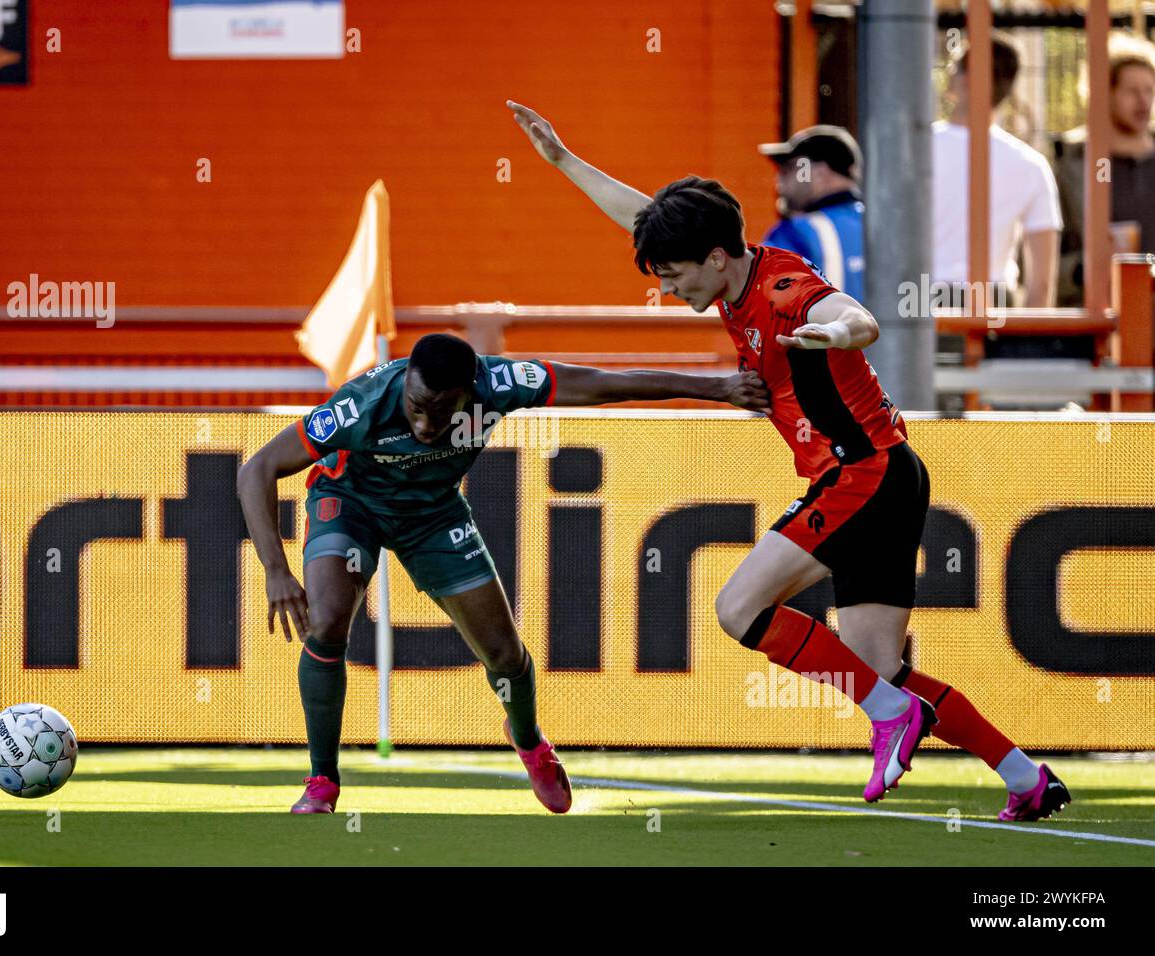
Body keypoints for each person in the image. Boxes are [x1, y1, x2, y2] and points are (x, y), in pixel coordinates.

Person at [507, 99, 1071, 821]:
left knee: (738, 607)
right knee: (880, 670)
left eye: (675, 275)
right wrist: (561, 160)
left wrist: (840, 334)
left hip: (863, 473)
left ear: (714, 257)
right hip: (885, 474)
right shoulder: (728, 275)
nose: (669, 289)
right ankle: (1025, 777)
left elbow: (848, 314)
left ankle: (890, 714)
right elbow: (643, 213)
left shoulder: (782, 289)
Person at [238, 333, 771, 814]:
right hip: (350, 505)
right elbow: (256, 469)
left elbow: (605, 384)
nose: (426, 425)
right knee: (328, 623)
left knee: (505, 655)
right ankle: (322, 782)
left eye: (442, 412)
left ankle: (529, 741)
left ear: (471, 393)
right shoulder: (360, 405)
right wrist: (275, 570)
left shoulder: (501, 383)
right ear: (406, 386)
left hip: (434, 515)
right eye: (417, 407)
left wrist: (718, 389)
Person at [933, 34, 1062, 310]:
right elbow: (1042, 283)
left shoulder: (915, 152)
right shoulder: (1031, 164)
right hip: (996, 304)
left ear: (966, 80)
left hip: (920, 299)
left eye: (955, 67)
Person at [1052, 32, 1155, 306]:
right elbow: (1042, 258)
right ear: (1104, 93)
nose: (1144, 101)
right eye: (1133, 91)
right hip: (1097, 316)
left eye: (1150, 90)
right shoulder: (1069, 160)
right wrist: (1084, 268)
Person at [758, 125, 866, 302]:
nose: (778, 181)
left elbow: (761, 302)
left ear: (820, 172)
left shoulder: (796, 232)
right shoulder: (892, 229)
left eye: (788, 169)